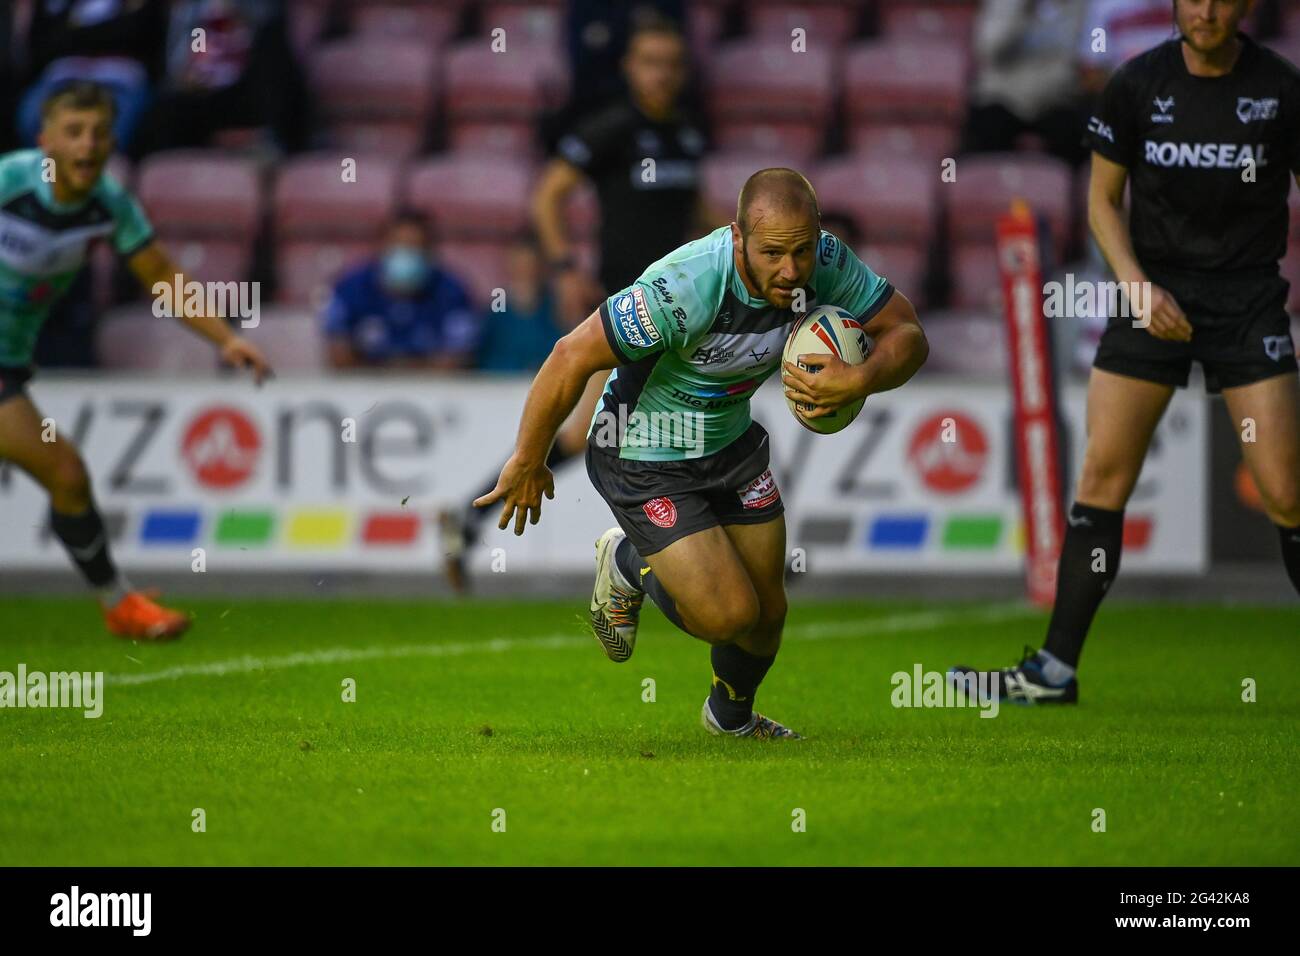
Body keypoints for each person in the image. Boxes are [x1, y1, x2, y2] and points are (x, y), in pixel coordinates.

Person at [474, 169, 928, 739]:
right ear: (738, 238)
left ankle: (730, 720)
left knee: (768, 616)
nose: (791, 271)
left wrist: (861, 377)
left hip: (729, 445)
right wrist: (527, 457)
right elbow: (571, 355)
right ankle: (626, 564)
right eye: (772, 253)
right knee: (729, 616)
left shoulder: (825, 263)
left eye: (803, 251)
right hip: (642, 452)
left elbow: (907, 332)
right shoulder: (684, 286)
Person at [951, 0, 1300, 704]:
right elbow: (1102, 203)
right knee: (1102, 481)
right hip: (1152, 304)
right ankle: (1053, 671)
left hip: (1247, 304)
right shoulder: (1137, 84)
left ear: (1247, 6)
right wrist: (1138, 289)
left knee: (1287, 491)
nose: (1204, 10)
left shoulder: (1282, 90)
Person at [440, 17, 721, 591]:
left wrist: (745, 248)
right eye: (651, 62)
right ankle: (663, 557)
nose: (662, 74)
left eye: (672, 63)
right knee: (635, 425)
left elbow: (692, 215)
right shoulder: (612, 128)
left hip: (688, 309)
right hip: (632, 306)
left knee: (591, 433)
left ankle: (469, 516)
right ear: (629, 67)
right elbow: (548, 195)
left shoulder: (687, 133)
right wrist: (565, 265)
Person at [0, 81, 272, 640]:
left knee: (68, 477)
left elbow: (163, 279)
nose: (88, 144)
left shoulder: (110, 206)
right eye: (74, 132)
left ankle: (118, 605)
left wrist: (223, 338)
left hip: (7, 364)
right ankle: (119, 602)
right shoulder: (9, 180)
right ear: (44, 138)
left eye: (99, 133)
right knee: (67, 471)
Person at [322, 211, 481, 370]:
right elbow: (339, 357)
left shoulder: (453, 291)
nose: (406, 253)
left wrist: (396, 371)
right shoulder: (350, 288)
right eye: (399, 245)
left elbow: (457, 360)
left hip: (430, 391)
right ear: (381, 246)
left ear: (430, 251)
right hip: (364, 391)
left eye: (415, 247)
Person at [475, 235, 567, 374]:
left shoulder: (554, 308)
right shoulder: (498, 306)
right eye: (519, 266)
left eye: (530, 266)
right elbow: (484, 356)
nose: (525, 273)